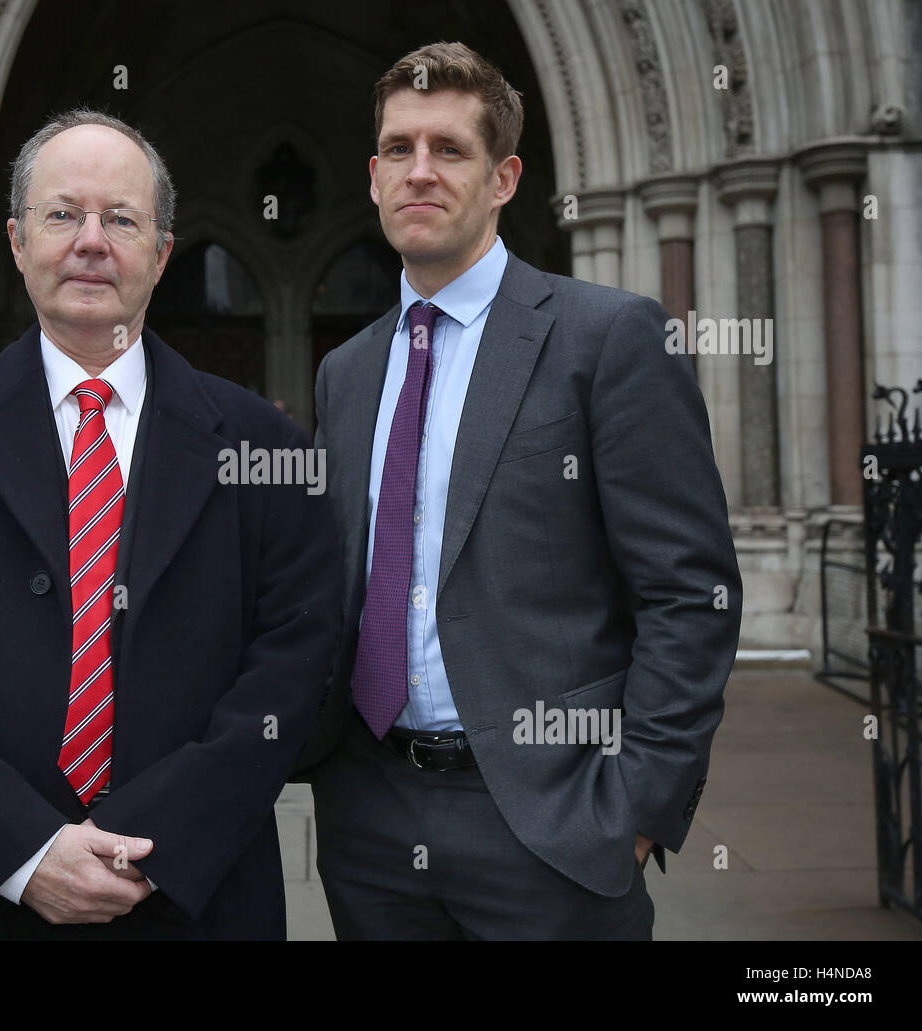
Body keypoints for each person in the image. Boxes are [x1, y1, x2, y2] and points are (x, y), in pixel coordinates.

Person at [0, 108, 340, 940]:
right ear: (15, 239)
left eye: (122, 219)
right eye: (63, 213)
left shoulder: (267, 447)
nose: (91, 241)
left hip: (195, 896)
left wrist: (150, 845)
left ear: (162, 252)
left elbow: (293, 664)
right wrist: (25, 854)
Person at [296, 41, 742, 939]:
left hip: (550, 824)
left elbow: (692, 593)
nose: (419, 171)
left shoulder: (607, 338)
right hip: (372, 820)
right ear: (374, 173)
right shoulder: (346, 372)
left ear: (503, 179)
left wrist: (637, 810)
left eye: (449, 150)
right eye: (398, 148)